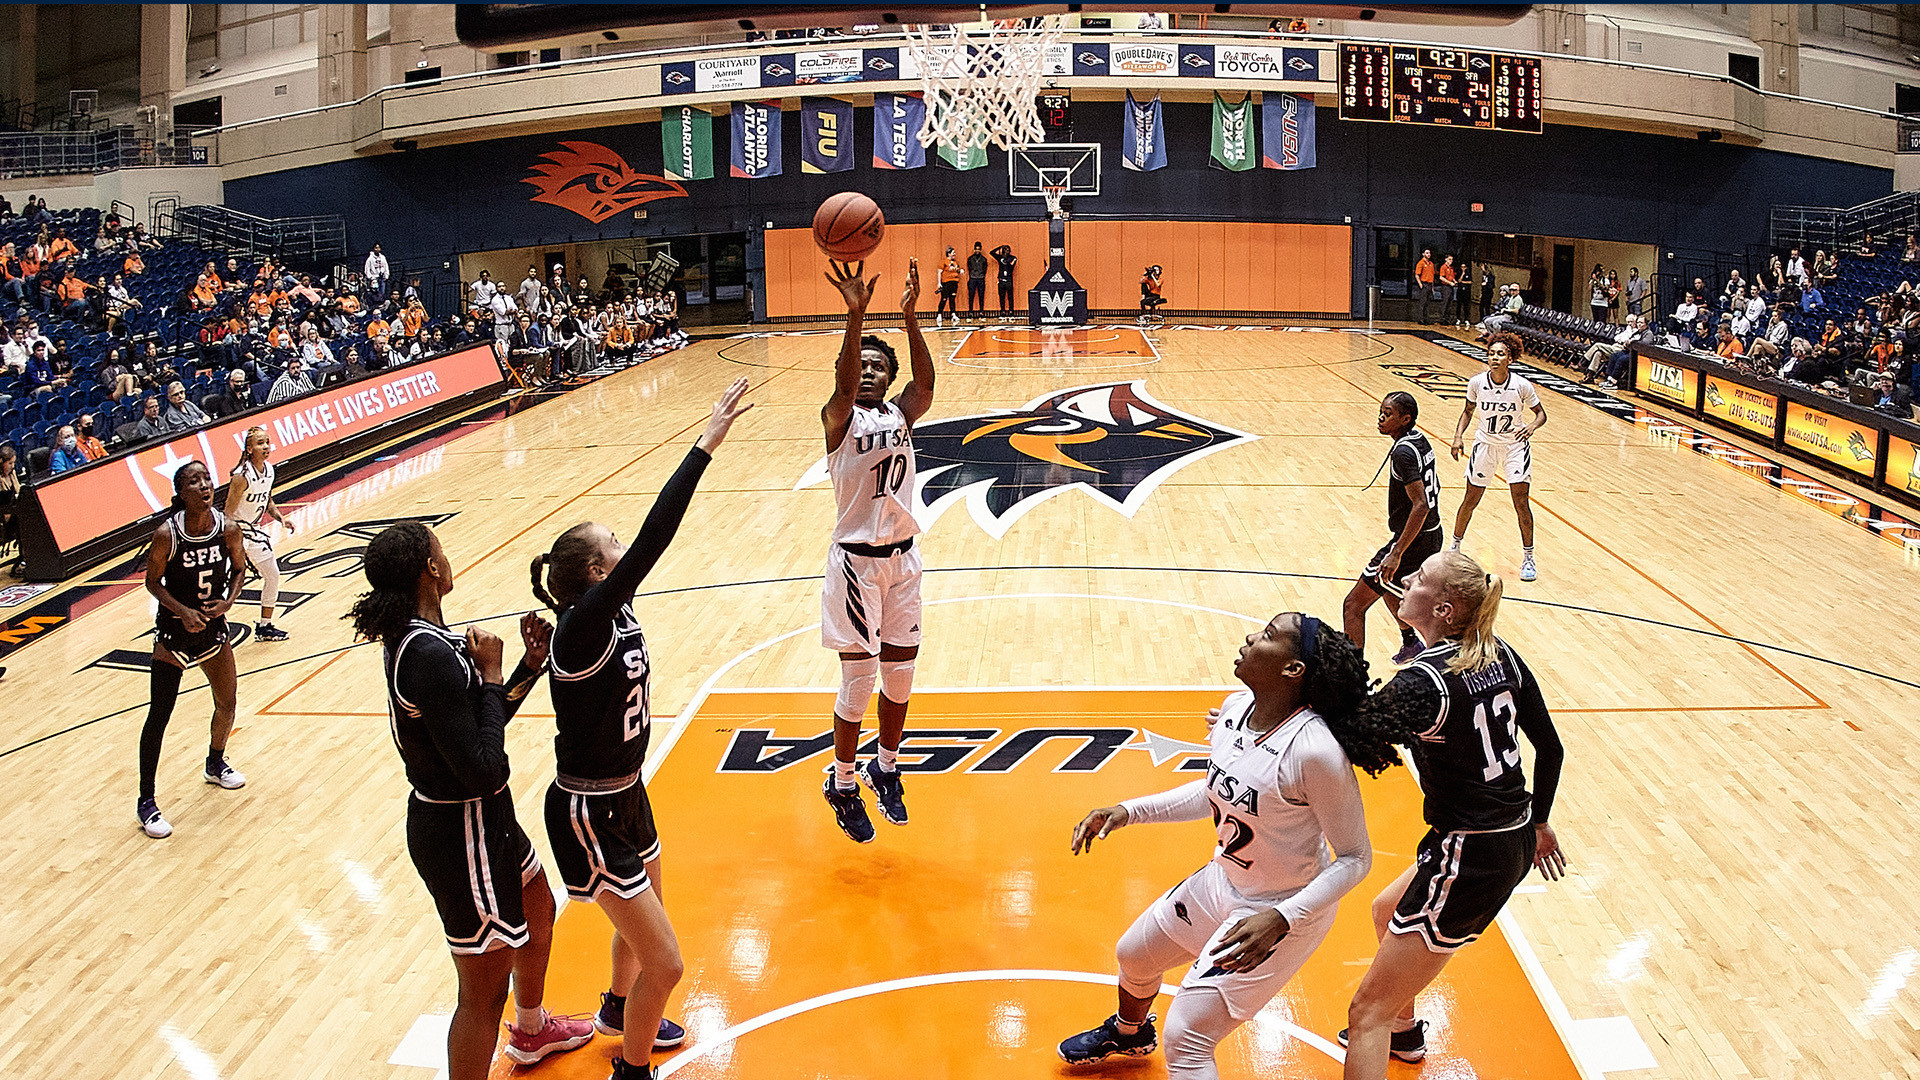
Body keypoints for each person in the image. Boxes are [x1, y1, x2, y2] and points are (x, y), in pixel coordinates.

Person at [530, 378, 753, 1080]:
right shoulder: (586, 622)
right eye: (614, 546)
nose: (626, 548)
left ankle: (615, 1009)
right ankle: (629, 1072)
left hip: (628, 793)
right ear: (599, 570)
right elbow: (658, 535)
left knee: (644, 912)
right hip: (588, 808)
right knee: (669, 958)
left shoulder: (606, 614)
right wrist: (704, 445)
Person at [1059, 613, 1394, 1078]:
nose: (1252, 637)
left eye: (1270, 636)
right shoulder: (1236, 708)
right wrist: (1128, 811)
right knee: (1134, 955)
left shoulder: (1314, 752)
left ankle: (1157, 1037)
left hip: (1280, 912)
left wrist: (1282, 918)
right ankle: (1130, 1035)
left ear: (1292, 670)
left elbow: (1357, 858)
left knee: (1188, 1038)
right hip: (1224, 881)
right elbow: (1218, 790)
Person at [345, 523, 595, 1077]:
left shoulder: (426, 638)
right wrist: (490, 675)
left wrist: (526, 670)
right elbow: (484, 768)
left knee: (537, 906)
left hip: (483, 820)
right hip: (461, 829)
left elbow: (479, 728)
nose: (447, 558)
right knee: (481, 993)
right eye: (441, 551)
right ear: (429, 570)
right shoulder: (427, 656)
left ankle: (532, 1032)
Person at [1338, 551, 1566, 1075]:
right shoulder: (1499, 654)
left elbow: (1352, 734)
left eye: (1416, 579)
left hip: (1471, 850)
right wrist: (1540, 822)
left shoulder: (1427, 682)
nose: (1405, 581)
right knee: (1384, 910)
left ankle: (1385, 1028)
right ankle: (1406, 1033)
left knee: (1365, 1011)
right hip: (1505, 837)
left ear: (1442, 609)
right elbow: (1550, 748)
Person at [819, 257, 933, 843]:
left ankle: (884, 768)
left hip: (903, 560)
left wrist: (911, 318)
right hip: (856, 563)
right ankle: (840, 780)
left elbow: (927, 386)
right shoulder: (839, 417)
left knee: (901, 679)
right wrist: (855, 317)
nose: (865, 370)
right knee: (859, 680)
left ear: (888, 378)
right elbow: (840, 384)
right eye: (860, 363)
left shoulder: (900, 412)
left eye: (875, 365)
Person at [137, 460, 249, 839]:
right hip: (174, 632)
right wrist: (182, 611)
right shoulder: (167, 535)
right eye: (194, 482)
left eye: (206, 479)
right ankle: (146, 802)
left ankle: (215, 763)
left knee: (228, 702)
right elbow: (152, 583)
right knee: (159, 715)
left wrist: (229, 601)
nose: (204, 486)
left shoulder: (228, 528)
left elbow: (239, 570)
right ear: (181, 493)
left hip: (213, 628)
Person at [1343, 392, 1440, 663]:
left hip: (1414, 540)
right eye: (1381, 411)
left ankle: (1352, 681)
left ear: (1405, 419)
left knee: (1353, 606)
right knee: (1387, 583)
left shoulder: (1403, 453)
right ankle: (1411, 644)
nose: (1381, 417)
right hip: (1431, 534)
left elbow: (1420, 505)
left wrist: (1397, 552)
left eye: (1388, 413)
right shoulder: (1419, 439)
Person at [1447, 333, 1546, 582]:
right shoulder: (1477, 383)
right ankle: (1454, 549)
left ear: (1510, 358)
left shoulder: (1522, 385)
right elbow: (1468, 411)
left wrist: (1532, 426)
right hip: (1485, 445)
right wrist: (1458, 437)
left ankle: (1529, 557)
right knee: (1471, 499)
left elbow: (1541, 414)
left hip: (1515, 447)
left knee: (1520, 502)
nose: (1494, 357)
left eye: (1500, 354)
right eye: (1491, 353)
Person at [225, 427, 295, 643]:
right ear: (249, 449)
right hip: (236, 531)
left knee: (272, 575)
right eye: (260, 443)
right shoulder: (241, 476)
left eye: (267, 442)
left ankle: (265, 627)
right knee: (228, 584)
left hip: (253, 531)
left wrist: (280, 518)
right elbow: (227, 513)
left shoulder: (269, 470)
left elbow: (267, 499)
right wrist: (233, 544)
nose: (266, 447)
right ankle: (209, 626)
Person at [936, 247, 961, 327]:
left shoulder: (955, 262)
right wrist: (939, 283)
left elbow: (957, 270)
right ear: (949, 253)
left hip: (954, 282)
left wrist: (960, 271)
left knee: (952, 298)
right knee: (944, 298)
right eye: (953, 253)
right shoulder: (943, 262)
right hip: (946, 283)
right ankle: (939, 315)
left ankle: (953, 314)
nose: (954, 254)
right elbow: (939, 272)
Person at [993, 243, 1018, 313]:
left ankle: (1011, 310)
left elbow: (1011, 266)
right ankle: (1002, 310)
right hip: (1001, 280)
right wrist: (999, 248)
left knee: (1010, 296)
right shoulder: (1000, 257)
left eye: (1008, 250)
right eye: (1005, 250)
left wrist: (1008, 262)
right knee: (1002, 296)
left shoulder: (1012, 258)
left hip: (1009, 280)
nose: (1006, 252)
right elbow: (992, 253)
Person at [1412, 249, 1435, 325]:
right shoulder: (1421, 263)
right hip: (1424, 284)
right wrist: (1420, 284)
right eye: (1427, 253)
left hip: (1429, 284)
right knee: (1422, 302)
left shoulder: (1431, 264)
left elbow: (1432, 276)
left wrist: (1432, 287)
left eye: (1429, 253)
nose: (1429, 254)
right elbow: (1417, 274)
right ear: (1423, 254)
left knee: (1428, 303)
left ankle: (1426, 318)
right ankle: (1421, 319)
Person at [966, 241, 988, 317]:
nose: (977, 251)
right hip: (972, 278)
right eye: (976, 249)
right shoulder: (970, 259)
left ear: (980, 249)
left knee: (981, 295)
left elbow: (985, 269)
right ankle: (970, 311)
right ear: (974, 249)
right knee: (971, 295)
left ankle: (981, 311)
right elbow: (969, 268)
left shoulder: (984, 259)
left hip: (980, 278)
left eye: (979, 249)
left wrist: (982, 275)